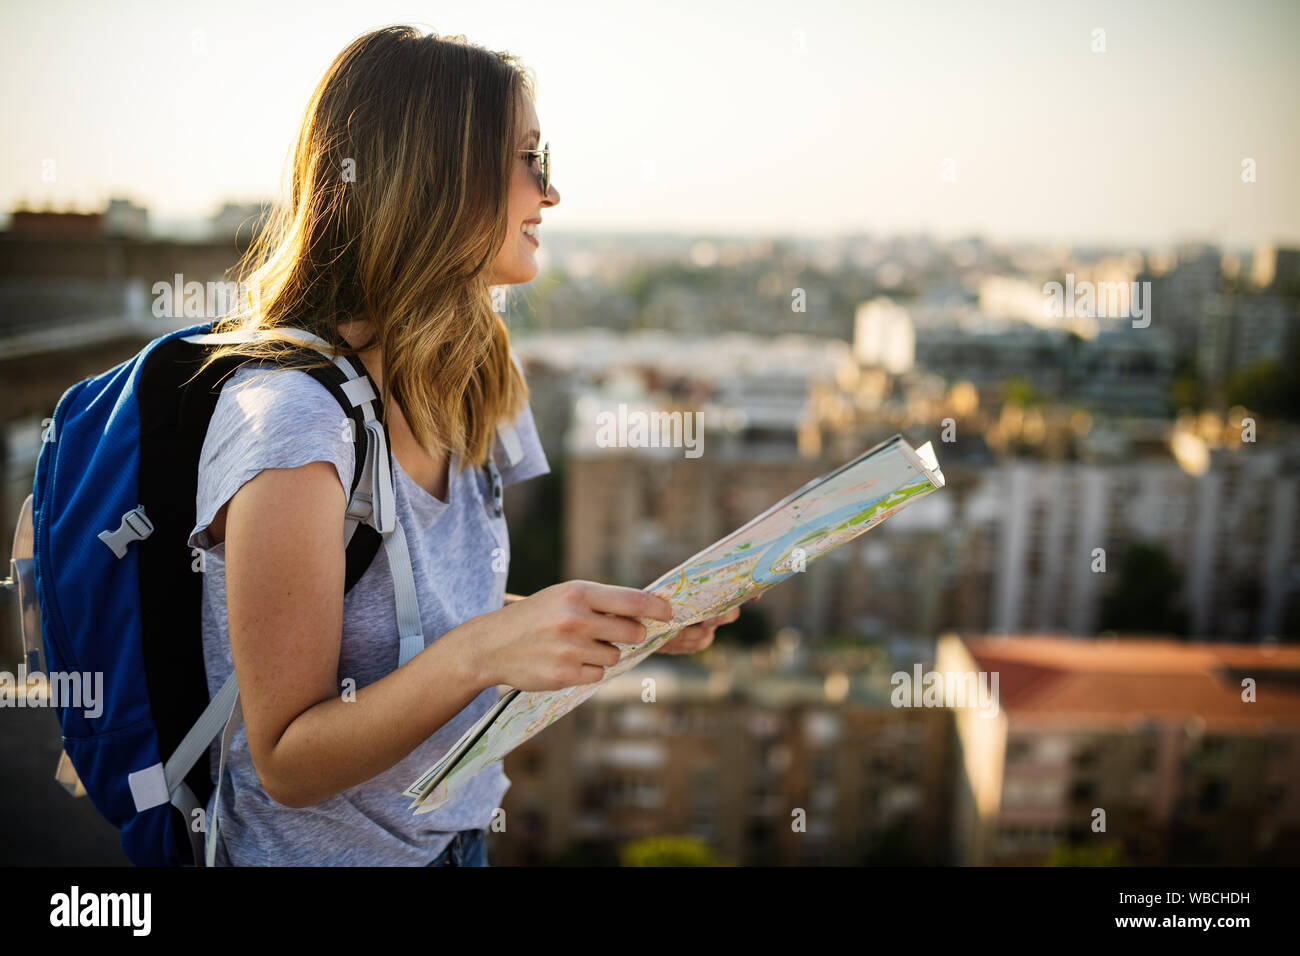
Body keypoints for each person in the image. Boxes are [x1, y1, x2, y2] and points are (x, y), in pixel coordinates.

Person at [186, 26, 739, 866]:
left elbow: (430, 628)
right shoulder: (293, 425)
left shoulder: (477, 374)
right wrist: (486, 652)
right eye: (529, 157)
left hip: (456, 843)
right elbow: (288, 760)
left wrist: (615, 621)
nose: (550, 193)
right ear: (435, 177)